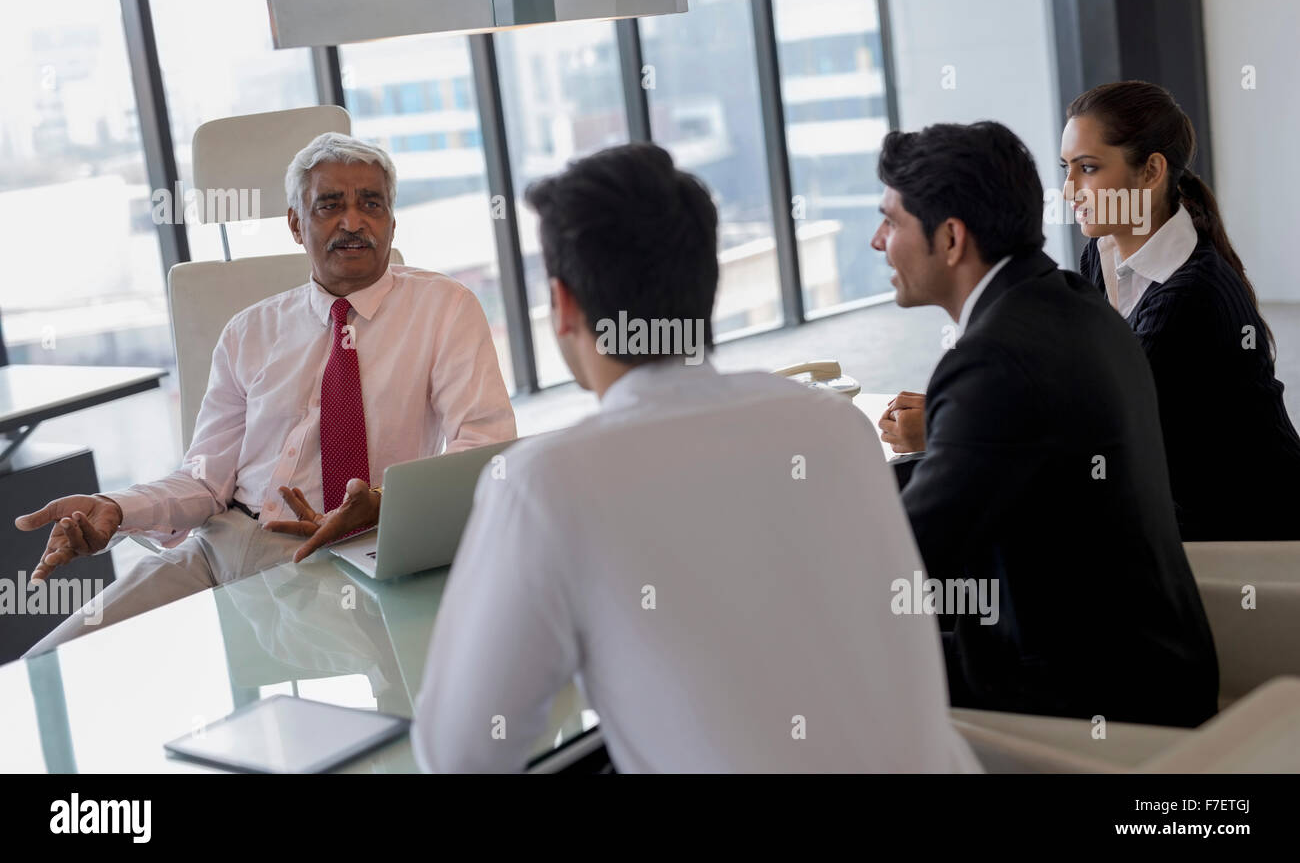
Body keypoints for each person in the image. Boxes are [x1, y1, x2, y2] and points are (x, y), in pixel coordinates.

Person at [411, 143, 979, 772]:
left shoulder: (546, 484)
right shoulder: (832, 424)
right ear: (708, 285)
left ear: (563, 303)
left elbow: (459, 756)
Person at [16, 133, 515, 655]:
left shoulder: (446, 308)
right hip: (220, 546)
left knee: (372, 681)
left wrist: (386, 505)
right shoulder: (247, 331)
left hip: (350, 552)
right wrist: (116, 507)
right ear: (296, 224)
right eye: (329, 205)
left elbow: (483, 447)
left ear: (392, 220)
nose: (352, 222)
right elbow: (204, 482)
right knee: (53, 659)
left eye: (372, 203)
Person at [869, 120, 1217, 727]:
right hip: (1157, 663)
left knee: (826, 656)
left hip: (1091, 696)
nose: (878, 242)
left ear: (951, 238)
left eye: (892, 222)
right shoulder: (1072, 299)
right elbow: (998, 466)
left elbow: (912, 558)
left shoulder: (992, 358)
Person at [1065, 80, 1300, 541]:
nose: (1069, 189)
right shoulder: (1101, 252)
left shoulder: (1191, 297)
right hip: (1179, 516)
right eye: (1066, 168)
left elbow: (1103, 427)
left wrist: (954, 427)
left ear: (1151, 170)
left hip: (1256, 540)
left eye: (1088, 168)